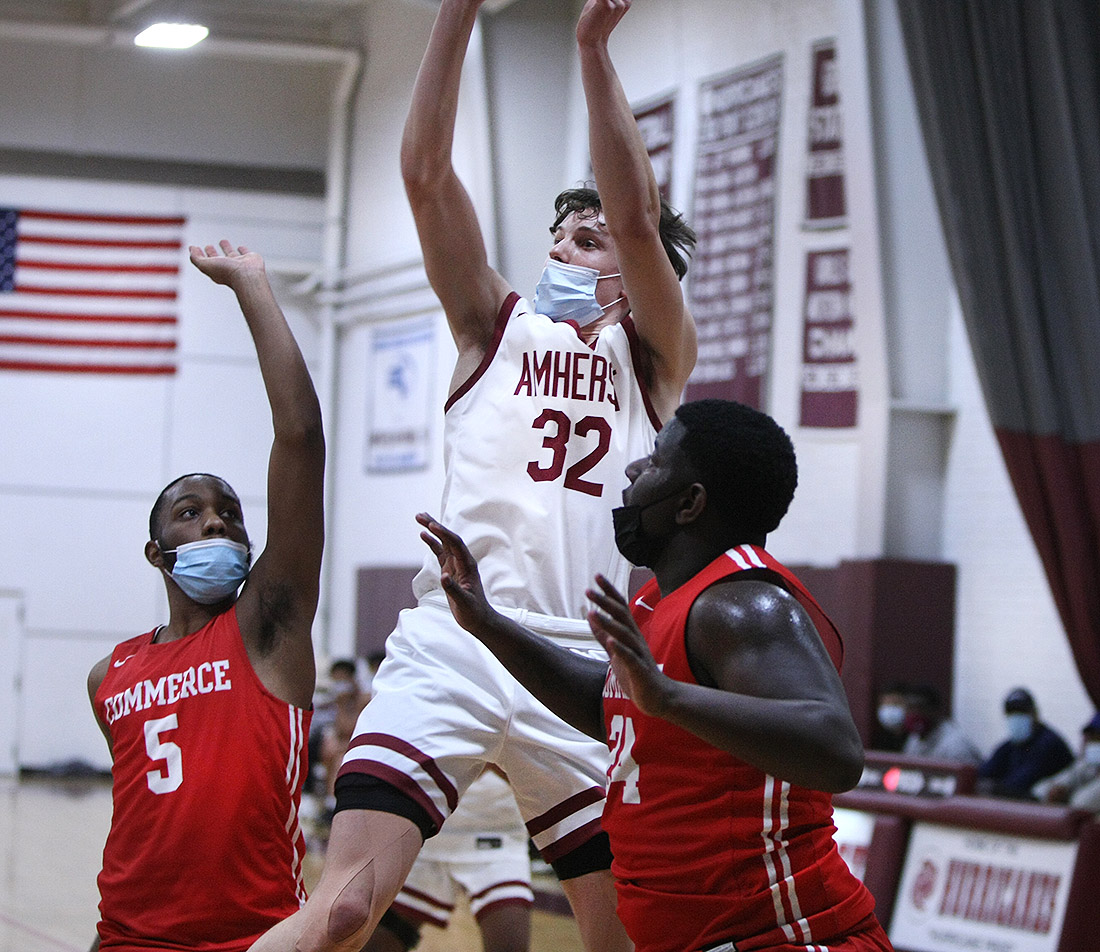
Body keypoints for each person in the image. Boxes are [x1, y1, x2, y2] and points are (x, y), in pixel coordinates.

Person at [248, 1, 696, 950]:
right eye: (561, 234)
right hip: (454, 641)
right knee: (340, 915)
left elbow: (639, 218)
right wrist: (457, 11)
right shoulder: (495, 326)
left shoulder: (653, 358)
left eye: (589, 238)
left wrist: (590, 50)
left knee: (626, 942)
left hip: (582, 664)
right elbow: (423, 173)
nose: (565, 248)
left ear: (632, 269)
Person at [418, 398, 894, 952]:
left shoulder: (742, 604)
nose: (633, 470)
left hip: (785, 938)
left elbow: (836, 749)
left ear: (689, 503)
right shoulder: (656, 603)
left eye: (656, 460)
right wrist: (488, 624)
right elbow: (615, 707)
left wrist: (669, 697)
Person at [87, 241, 325, 951]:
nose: (216, 518)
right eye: (189, 512)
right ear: (156, 553)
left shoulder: (267, 627)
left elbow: (302, 438)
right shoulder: (110, 677)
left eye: (229, 511)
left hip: (254, 937)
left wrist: (253, 283)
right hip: (126, 937)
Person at [365, 768, 533, 952]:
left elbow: (534, 778)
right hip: (427, 828)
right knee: (374, 944)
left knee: (510, 944)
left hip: (497, 834)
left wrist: (494, 758)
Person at [977, 687, 1075, 799]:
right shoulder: (1010, 745)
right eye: (1012, 713)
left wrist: (992, 787)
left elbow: (1019, 784)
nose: (1016, 717)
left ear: (1035, 714)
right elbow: (985, 772)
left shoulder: (1049, 743)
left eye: (1021, 713)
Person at [1032, 713, 1100, 811]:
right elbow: (1038, 791)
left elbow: (1081, 805)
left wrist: (1064, 799)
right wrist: (1054, 791)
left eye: (1098, 738)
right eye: (1090, 737)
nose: (1091, 743)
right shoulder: (1086, 766)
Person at [899, 684, 981, 764]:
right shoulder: (914, 738)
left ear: (936, 711)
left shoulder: (955, 745)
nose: (914, 714)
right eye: (910, 708)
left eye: (920, 708)